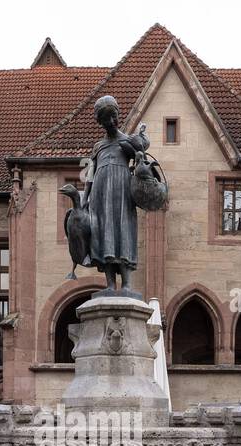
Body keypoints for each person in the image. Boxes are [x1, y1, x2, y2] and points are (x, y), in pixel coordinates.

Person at [83, 95, 149, 297]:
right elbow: (90, 176)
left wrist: (138, 156)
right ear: (100, 122)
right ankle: (110, 284)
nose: (111, 122)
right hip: (100, 195)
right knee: (104, 234)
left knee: (123, 230)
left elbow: (142, 164)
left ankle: (127, 284)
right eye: (106, 119)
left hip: (122, 193)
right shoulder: (98, 147)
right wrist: (84, 199)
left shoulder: (128, 142)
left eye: (113, 117)